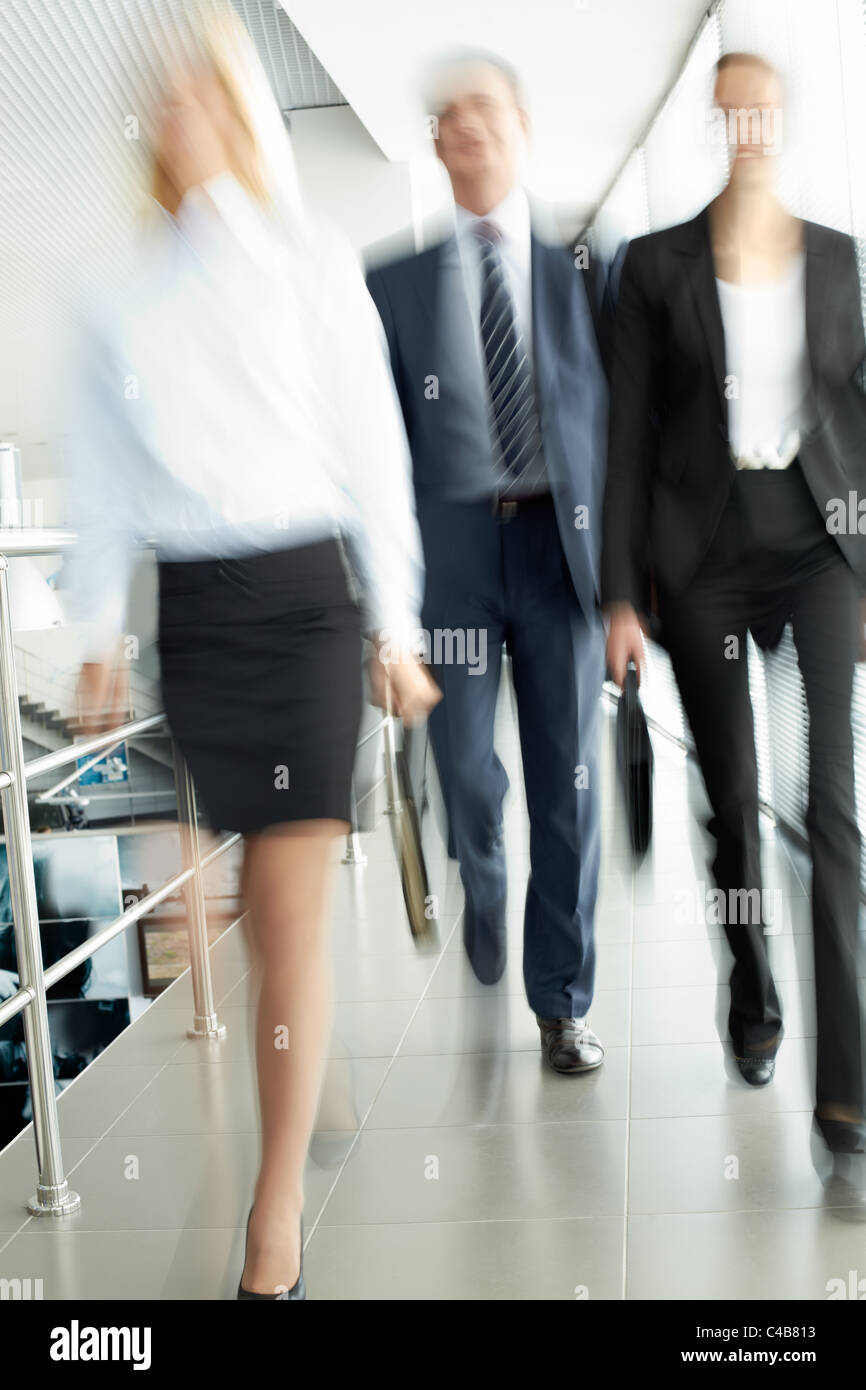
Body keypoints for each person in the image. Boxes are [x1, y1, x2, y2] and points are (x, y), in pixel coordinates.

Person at [64, 4, 439, 1298]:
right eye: (164, 98)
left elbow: (370, 450)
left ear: (241, 106)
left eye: (206, 92)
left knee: (285, 919)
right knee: (227, 922)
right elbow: (107, 475)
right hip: (194, 619)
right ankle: (309, 1056)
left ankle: (271, 1220)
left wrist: (395, 625)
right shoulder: (115, 292)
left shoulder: (308, 261)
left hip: (299, 611)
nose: (184, 115)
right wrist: (107, 625)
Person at [603, 51, 866, 1205]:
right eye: (731, 108)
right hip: (703, 559)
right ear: (715, 121)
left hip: (816, 545)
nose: (748, 123)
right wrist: (618, 592)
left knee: (833, 803)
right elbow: (621, 438)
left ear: (783, 117)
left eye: (764, 105)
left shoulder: (839, 260)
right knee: (733, 807)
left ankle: (847, 1085)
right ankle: (751, 993)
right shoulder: (653, 268)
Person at [367, 51, 609, 1074]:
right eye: (448, 114)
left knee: (567, 786)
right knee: (464, 773)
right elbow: (369, 449)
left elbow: (621, 427)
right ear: (433, 143)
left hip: (559, 548)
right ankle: (483, 881)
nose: (465, 124)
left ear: (519, 128)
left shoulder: (587, 269)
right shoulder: (390, 283)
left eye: (485, 109)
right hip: (451, 552)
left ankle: (558, 1001)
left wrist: (633, 585)